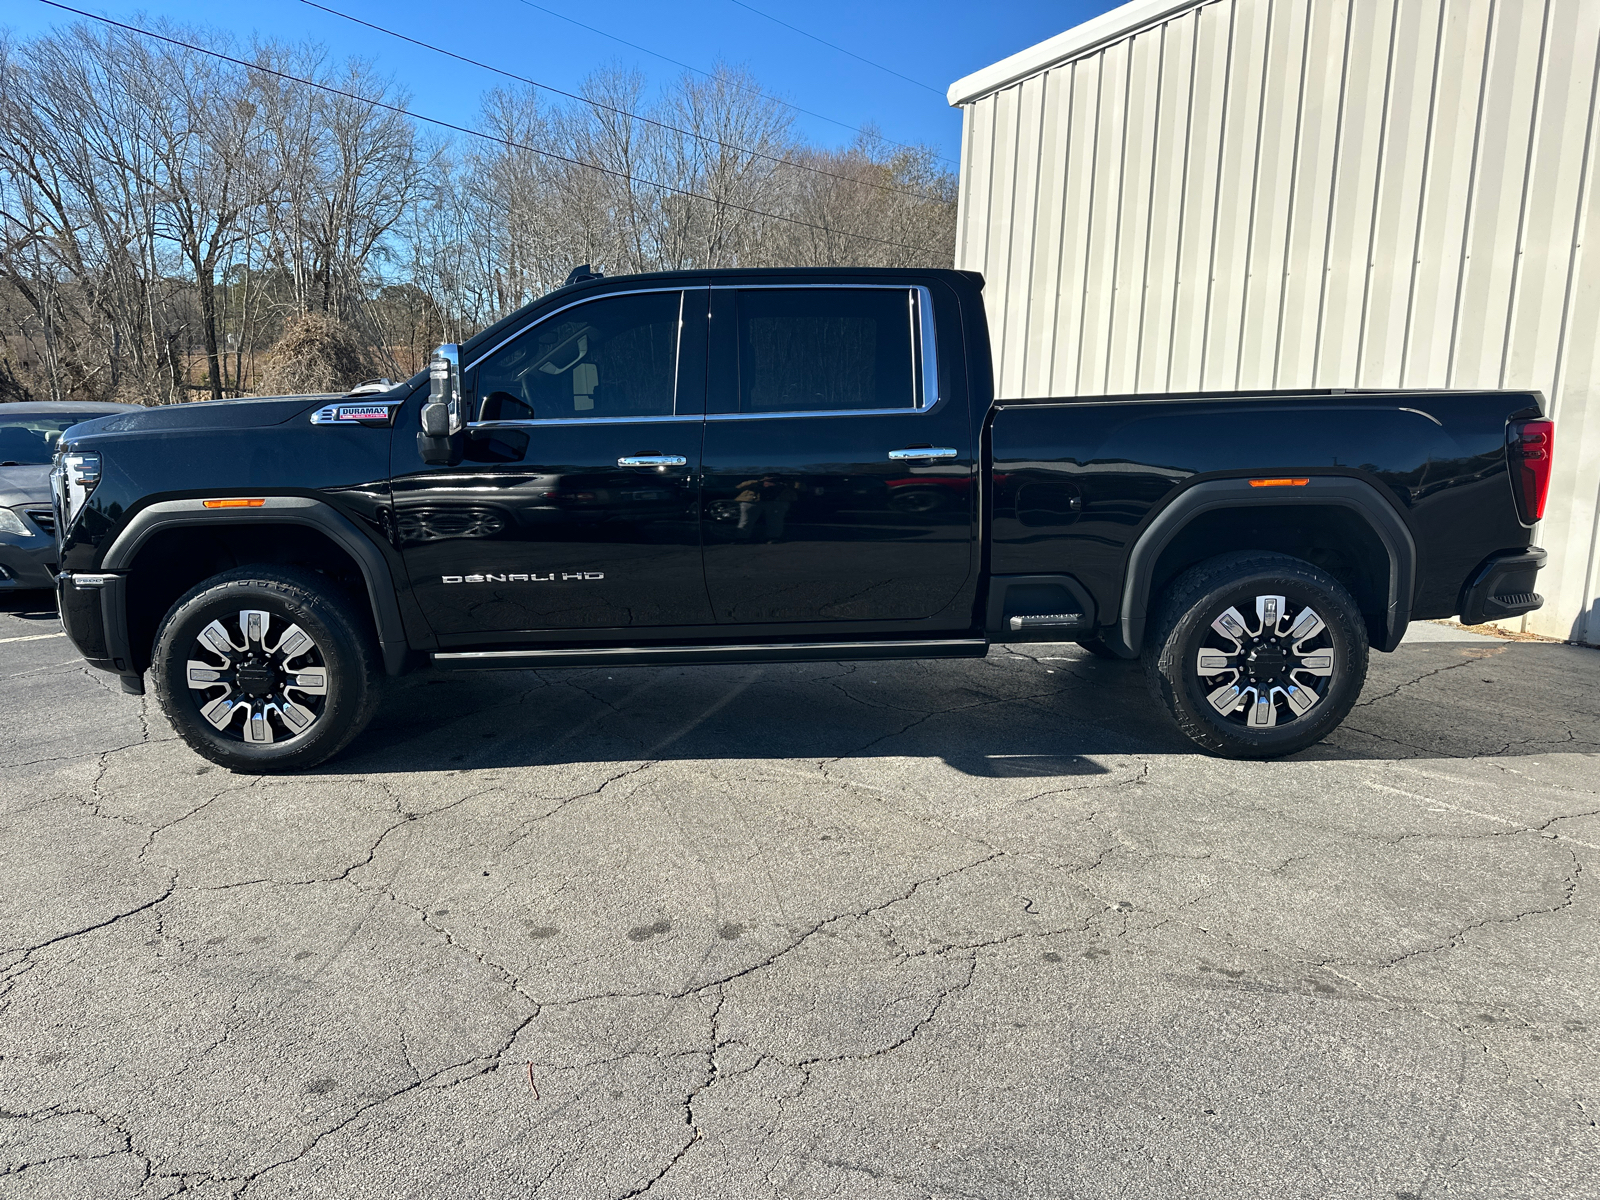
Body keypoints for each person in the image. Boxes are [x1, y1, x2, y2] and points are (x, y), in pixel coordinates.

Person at [735, 474, 798, 542]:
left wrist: (787, 482)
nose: (771, 478)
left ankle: (773, 537)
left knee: (775, 521)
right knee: (746, 520)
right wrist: (759, 481)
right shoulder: (755, 482)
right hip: (753, 502)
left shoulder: (786, 483)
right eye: (768, 476)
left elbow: (800, 487)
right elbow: (739, 486)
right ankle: (742, 538)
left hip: (776, 502)